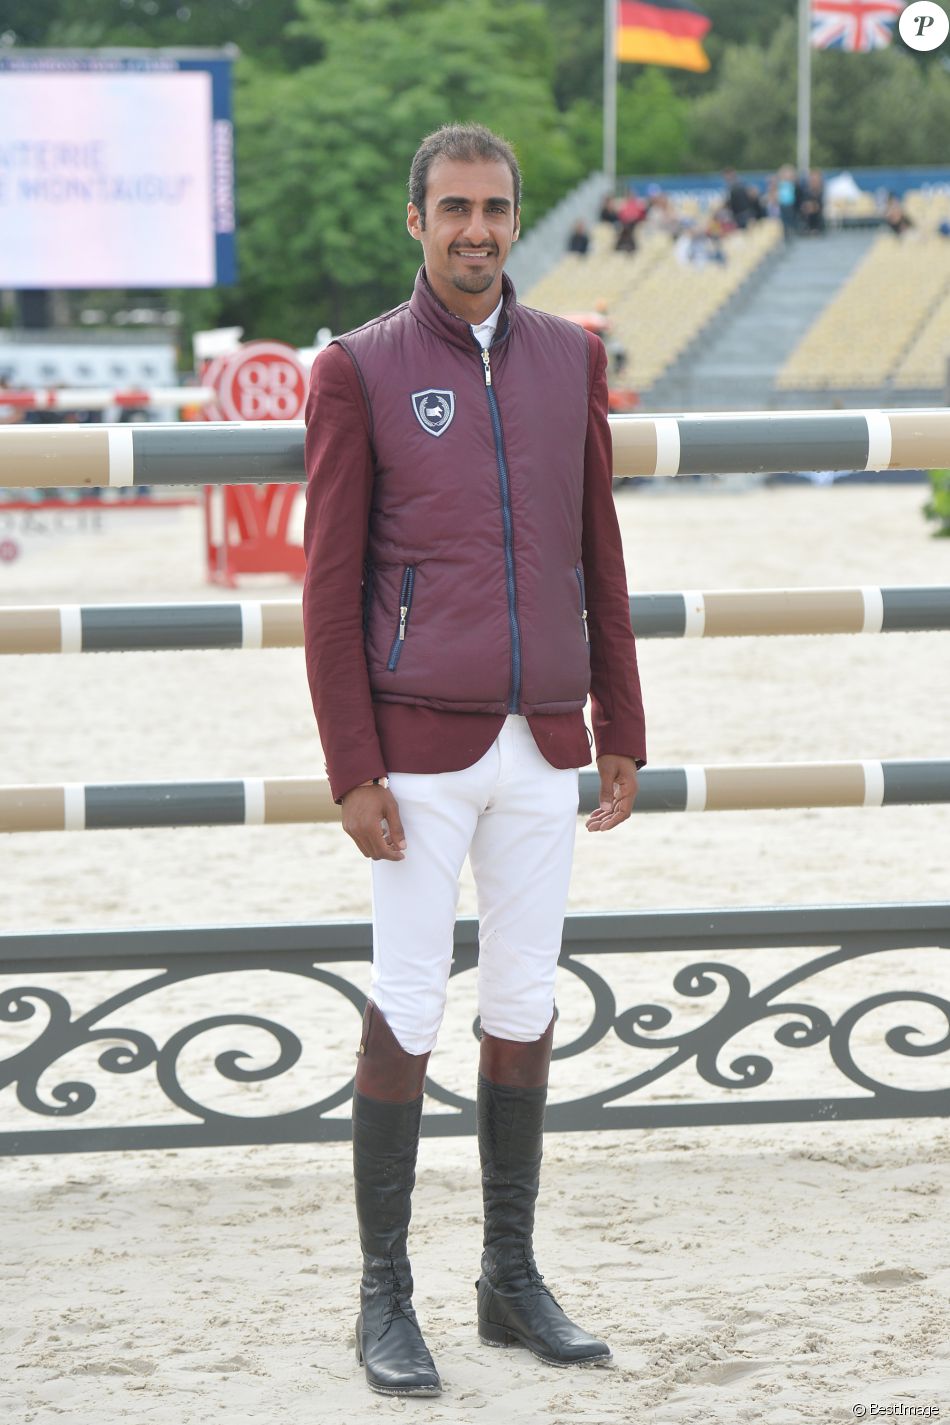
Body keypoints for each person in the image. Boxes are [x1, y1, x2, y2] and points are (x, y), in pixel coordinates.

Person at [302, 123, 646, 1398]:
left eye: (495, 209)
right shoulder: (358, 369)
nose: (476, 231)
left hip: (546, 743)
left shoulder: (571, 358)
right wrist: (351, 767)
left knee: (521, 1004)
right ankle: (381, 1299)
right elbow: (327, 585)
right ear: (415, 221)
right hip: (416, 752)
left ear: (516, 218)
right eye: (452, 209)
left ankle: (507, 1279)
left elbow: (596, 557)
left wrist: (624, 722)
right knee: (405, 1007)